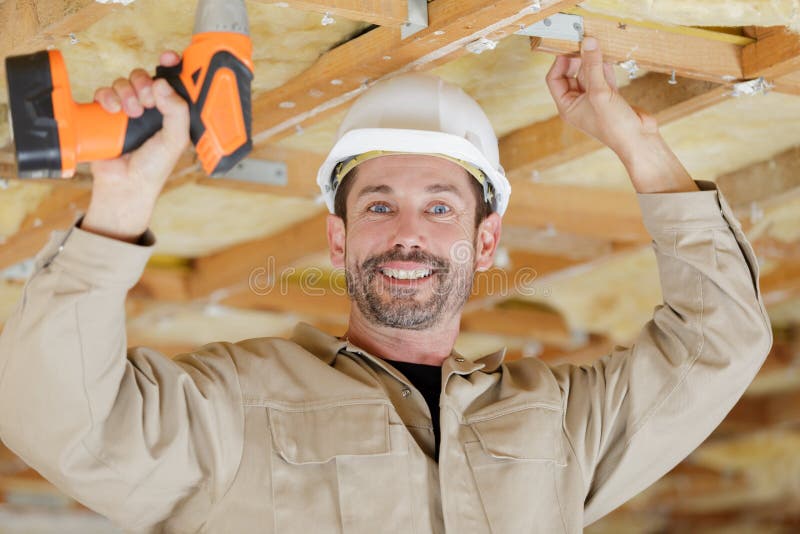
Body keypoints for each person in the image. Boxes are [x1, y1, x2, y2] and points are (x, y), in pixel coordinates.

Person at [0, 38, 771, 533]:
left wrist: (636, 140)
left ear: (486, 238)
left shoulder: (559, 426)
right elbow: (58, 421)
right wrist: (123, 201)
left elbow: (722, 341)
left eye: (440, 207)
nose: (409, 233)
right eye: (379, 204)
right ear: (339, 239)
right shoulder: (234, 408)